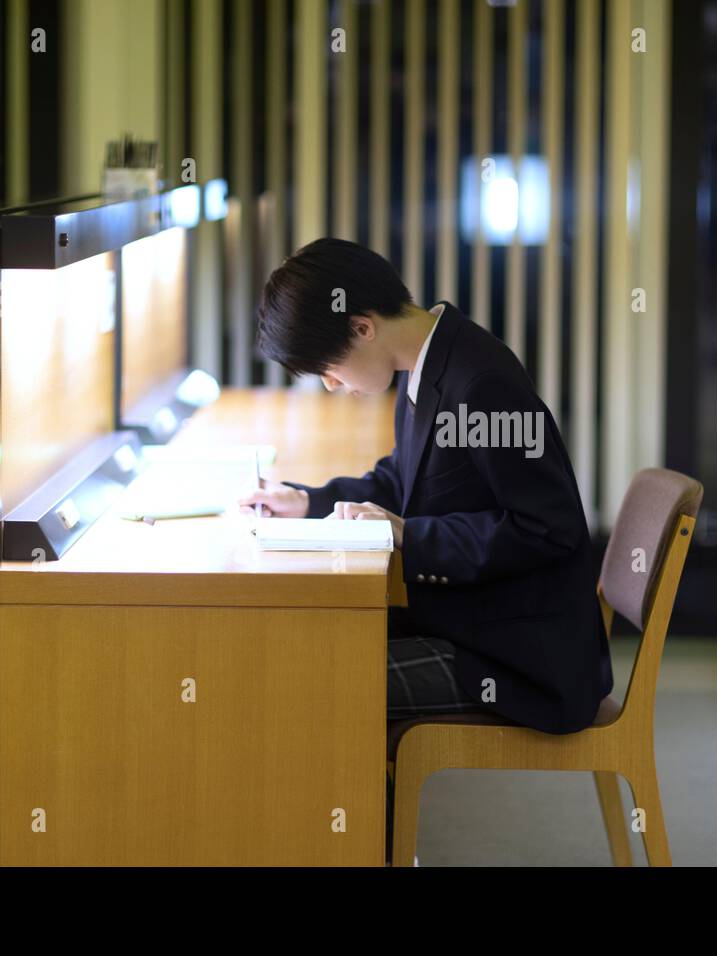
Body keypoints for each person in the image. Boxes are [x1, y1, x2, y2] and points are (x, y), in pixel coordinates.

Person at [241, 238, 614, 861]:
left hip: (519, 657)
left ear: (362, 327)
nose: (332, 387)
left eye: (328, 371)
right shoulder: (428, 364)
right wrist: (309, 500)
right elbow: (402, 481)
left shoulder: (480, 379)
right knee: (299, 652)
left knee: (311, 684)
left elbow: (548, 529)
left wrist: (409, 536)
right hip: (474, 619)